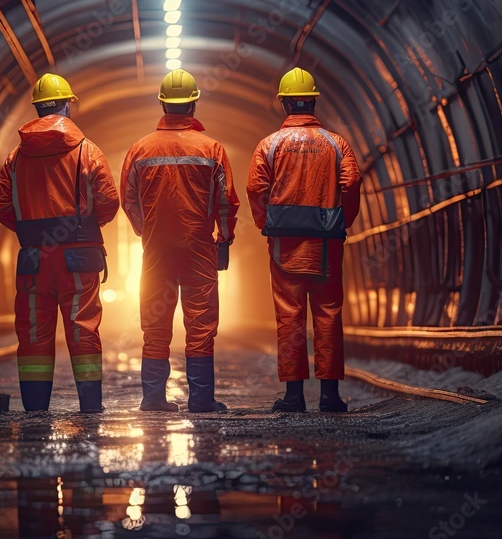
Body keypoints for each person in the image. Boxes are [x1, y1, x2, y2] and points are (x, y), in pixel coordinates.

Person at [0, 73, 119, 413]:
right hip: (78, 257)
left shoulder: (15, 158)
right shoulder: (87, 152)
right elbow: (108, 200)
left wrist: (32, 230)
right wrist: (86, 226)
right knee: (82, 328)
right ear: (66, 106)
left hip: (34, 257)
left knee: (34, 331)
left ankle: (35, 409)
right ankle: (90, 407)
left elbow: (2, 207)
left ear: (36, 109)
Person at [121, 69, 239, 413]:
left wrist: (148, 231)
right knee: (201, 323)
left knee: (155, 323)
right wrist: (224, 236)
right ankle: (201, 400)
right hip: (198, 248)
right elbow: (226, 201)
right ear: (194, 104)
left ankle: (153, 398)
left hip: (156, 250)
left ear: (161, 103)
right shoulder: (211, 149)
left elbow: (128, 200)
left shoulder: (140, 149)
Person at [246, 67, 362, 413]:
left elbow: (255, 188)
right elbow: (352, 183)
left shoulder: (270, 145)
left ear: (284, 104)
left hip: (285, 245)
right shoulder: (335, 143)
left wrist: (266, 223)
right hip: (327, 243)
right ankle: (329, 396)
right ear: (313, 100)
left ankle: (294, 396)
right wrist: (343, 220)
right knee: (328, 313)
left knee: (290, 316)